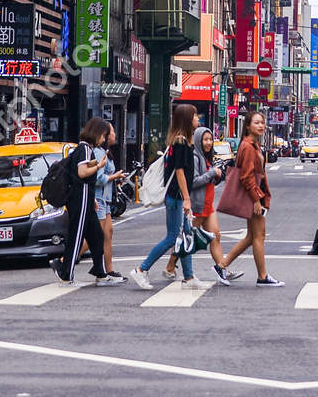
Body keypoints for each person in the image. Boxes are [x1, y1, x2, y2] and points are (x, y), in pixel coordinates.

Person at [131, 105, 212, 290]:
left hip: (177, 197)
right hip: (176, 197)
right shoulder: (181, 142)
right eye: (195, 116)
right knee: (173, 237)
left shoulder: (180, 141)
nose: (198, 119)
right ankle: (141, 270)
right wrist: (186, 198)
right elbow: (180, 171)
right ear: (186, 119)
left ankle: (189, 277)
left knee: (185, 236)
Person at [166, 124, 242, 284]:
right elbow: (193, 182)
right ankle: (170, 266)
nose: (208, 143)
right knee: (186, 239)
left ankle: (222, 268)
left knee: (215, 236)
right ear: (199, 140)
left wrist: (216, 175)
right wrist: (212, 173)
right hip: (196, 206)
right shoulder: (194, 157)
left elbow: (208, 181)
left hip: (208, 205)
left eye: (210, 139)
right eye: (205, 139)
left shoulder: (207, 158)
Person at [220, 110, 284, 287]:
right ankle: (262, 276)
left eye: (262, 122)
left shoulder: (252, 145)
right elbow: (247, 176)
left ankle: (222, 265)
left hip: (256, 194)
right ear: (247, 126)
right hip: (255, 195)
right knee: (258, 236)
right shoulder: (248, 147)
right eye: (256, 123)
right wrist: (256, 200)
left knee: (252, 236)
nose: (261, 125)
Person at [59, 118, 118, 285]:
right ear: (97, 133)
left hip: (87, 197)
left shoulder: (84, 149)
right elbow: (83, 173)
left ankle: (100, 272)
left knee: (97, 236)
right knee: (77, 236)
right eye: (103, 136)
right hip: (80, 197)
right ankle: (65, 273)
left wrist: (92, 199)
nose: (104, 140)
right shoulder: (85, 149)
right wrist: (99, 166)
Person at [78, 120, 123, 283]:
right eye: (110, 132)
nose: (113, 135)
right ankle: (64, 261)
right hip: (98, 198)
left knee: (108, 233)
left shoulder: (105, 151)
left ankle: (108, 270)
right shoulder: (97, 152)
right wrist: (114, 177)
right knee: (95, 236)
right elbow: (96, 178)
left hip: (105, 198)